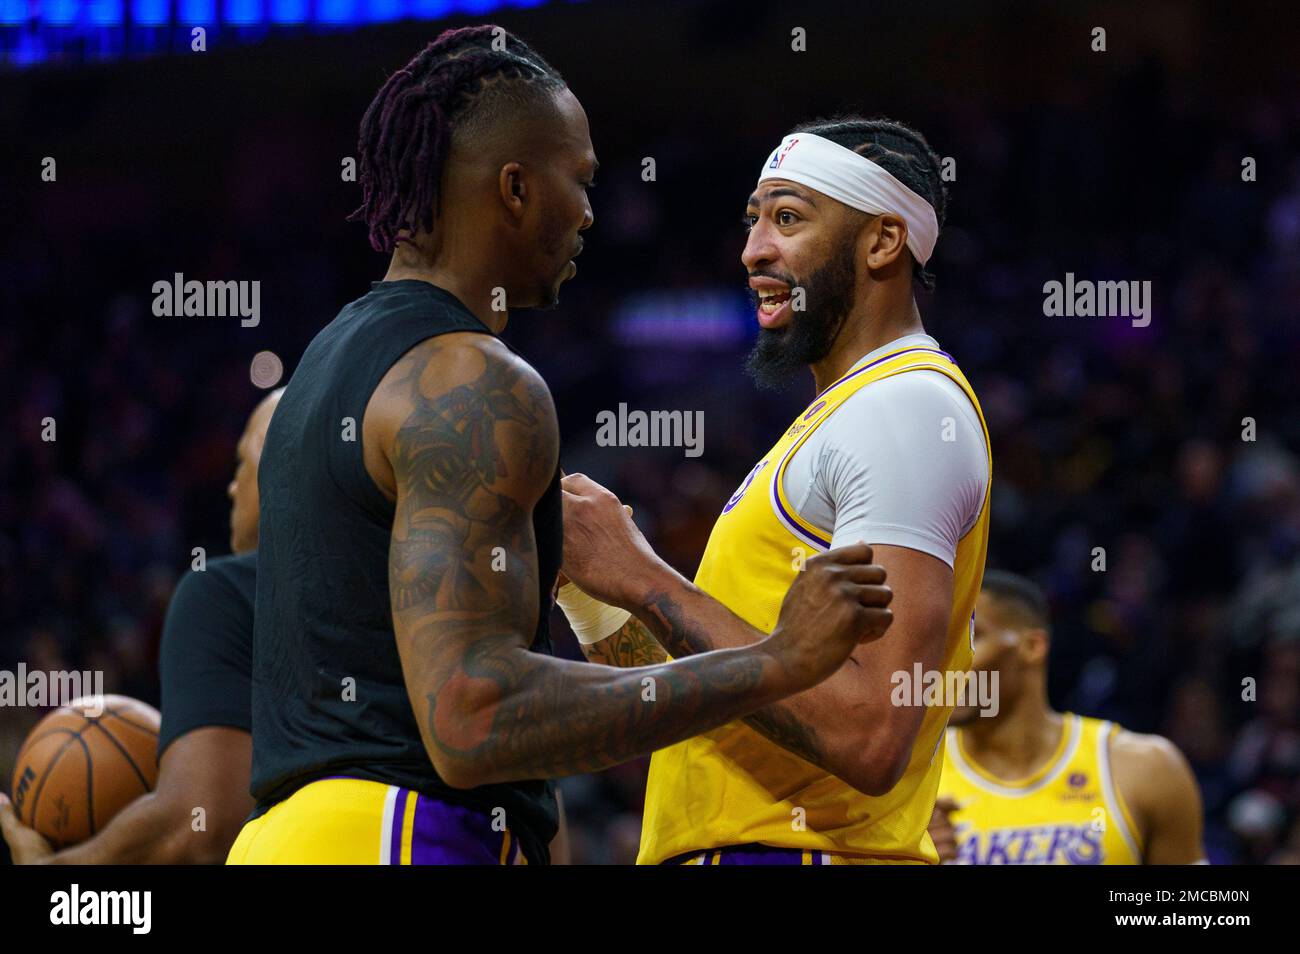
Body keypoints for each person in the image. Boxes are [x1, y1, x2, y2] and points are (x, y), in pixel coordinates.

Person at [226, 28, 895, 866]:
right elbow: (475, 716)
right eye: (577, 181)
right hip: (400, 832)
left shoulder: (327, 363)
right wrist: (775, 661)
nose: (588, 212)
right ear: (513, 187)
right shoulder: (474, 378)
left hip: (289, 836)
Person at [559, 116, 991, 864]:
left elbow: (871, 732)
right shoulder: (835, 420)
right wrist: (593, 586)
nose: (753, 249)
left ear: (883, 242)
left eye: (787, 218)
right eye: (754, 219)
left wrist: (643, 573)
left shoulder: (907, 409)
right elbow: (696, 710)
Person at [0, 388, 282, 863]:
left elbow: (198, 829)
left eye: (243, 463)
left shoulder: (222, 590)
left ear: (285, 469)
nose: (232, 486)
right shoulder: (410, 586)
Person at [932, 570, 1206, 864]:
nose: (945, 660)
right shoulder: (910, 781)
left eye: (970, 638)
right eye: (939, 642)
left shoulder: (1146, 768)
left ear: (1033, 646)